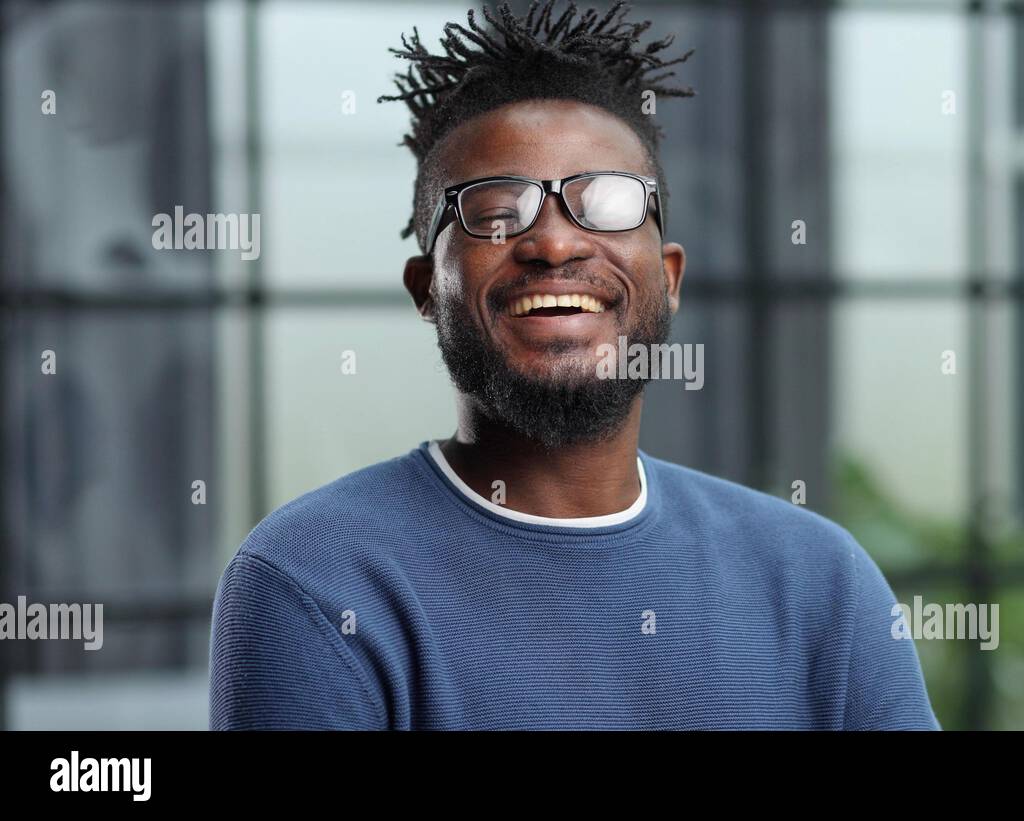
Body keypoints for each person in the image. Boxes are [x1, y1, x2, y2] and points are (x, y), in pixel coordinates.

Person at [209, 0, 939, 730]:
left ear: (671, 277)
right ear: (427, 289)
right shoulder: (314, 580)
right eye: (496, 210)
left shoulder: (820, 582)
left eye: (610, 202)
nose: (554, 244)